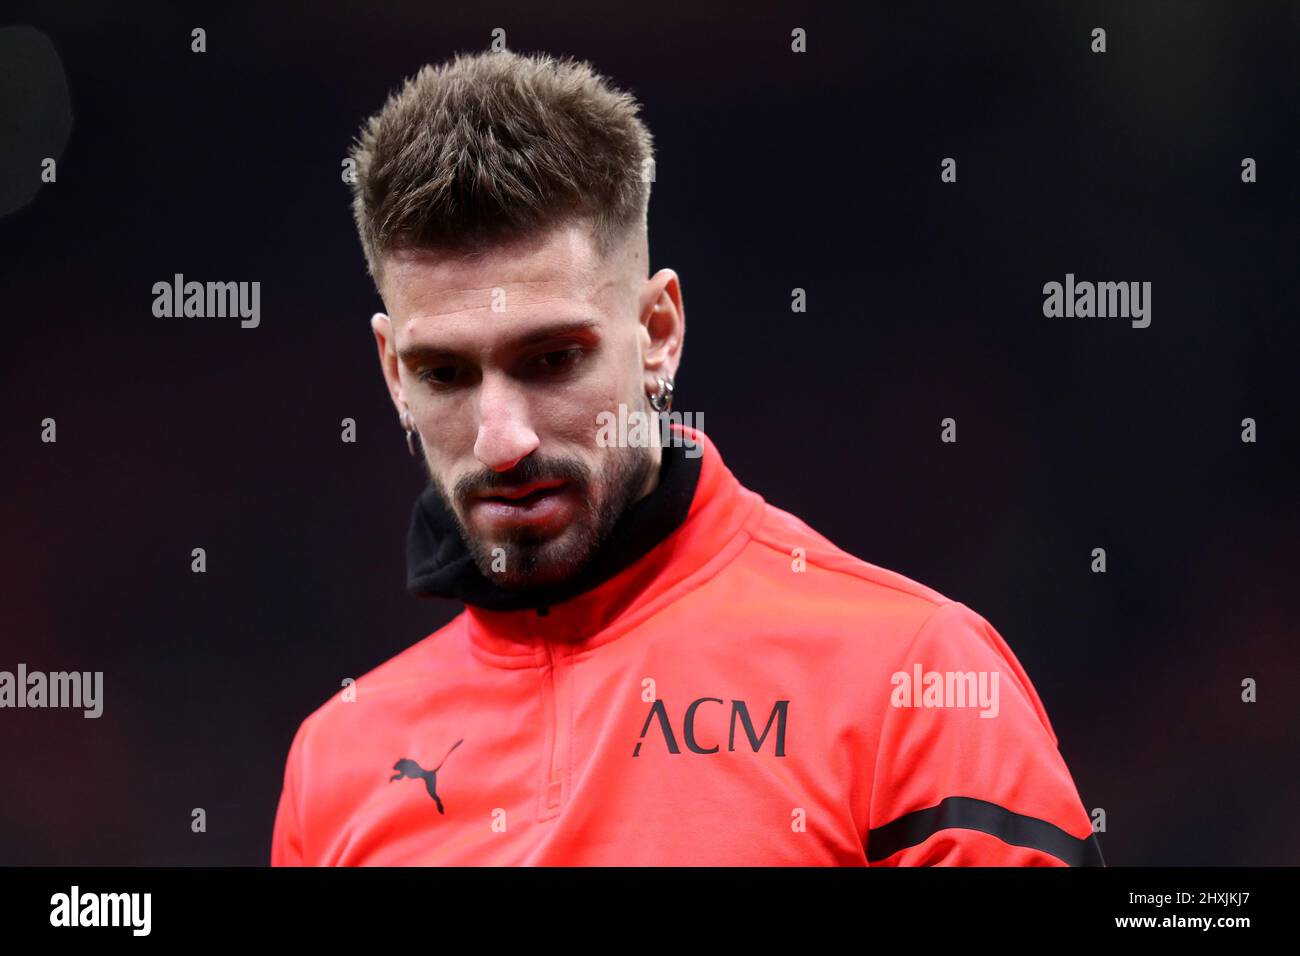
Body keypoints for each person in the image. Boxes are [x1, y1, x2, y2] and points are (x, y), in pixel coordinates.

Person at [270, 49, 1103, 866]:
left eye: (553, 358)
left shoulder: (916, 679)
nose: (502, 440)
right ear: (393, 375)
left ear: (658, 333)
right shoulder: (334, 762)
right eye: (444, 373)